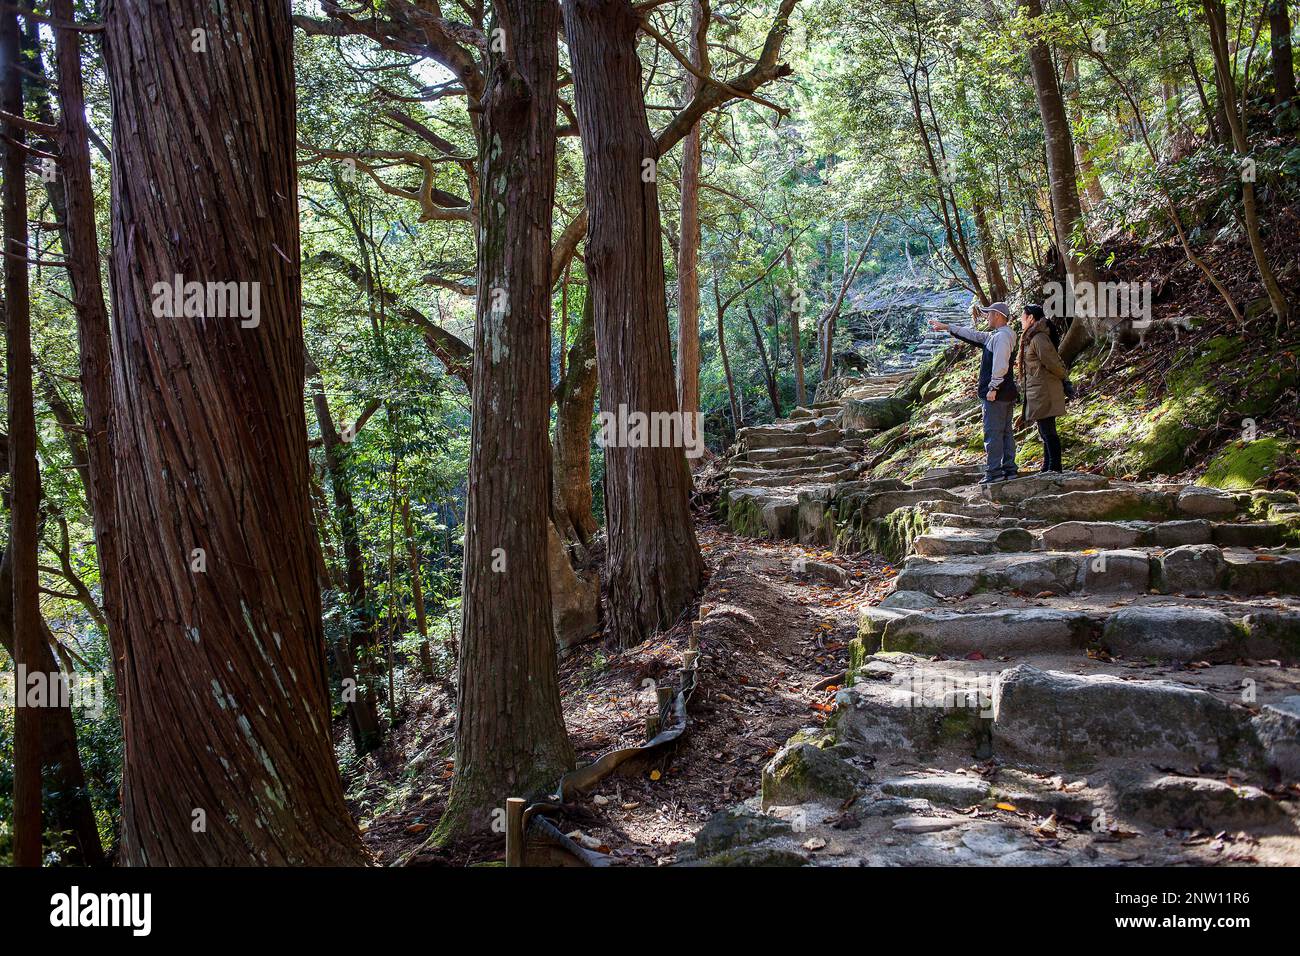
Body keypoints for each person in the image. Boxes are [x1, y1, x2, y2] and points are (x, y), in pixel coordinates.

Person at [929, 301, 1019, 484]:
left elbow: (1000, 364)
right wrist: (947, 327)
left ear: (998, 315)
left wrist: (993, 388)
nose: (986, 316)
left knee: (993, 433)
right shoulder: (1000, 335)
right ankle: (1009, 469)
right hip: (1006, 393)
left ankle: (994, 472)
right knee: (1005, 432)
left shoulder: (1002, 337)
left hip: (997, 394)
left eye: (988, 314)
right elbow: (975, 335)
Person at [1016, 303, 1068, 473]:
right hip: (1037, 390)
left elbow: (1053, 362)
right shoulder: (1031, 338)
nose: (1020, 320)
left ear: (1031, 318)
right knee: (1044, 430)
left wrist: (1065, 380)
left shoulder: (1038, 338)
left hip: (1044, 390)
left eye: (1023, 317)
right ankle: (1047, 467)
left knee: (1048, 431)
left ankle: (1054, 468)